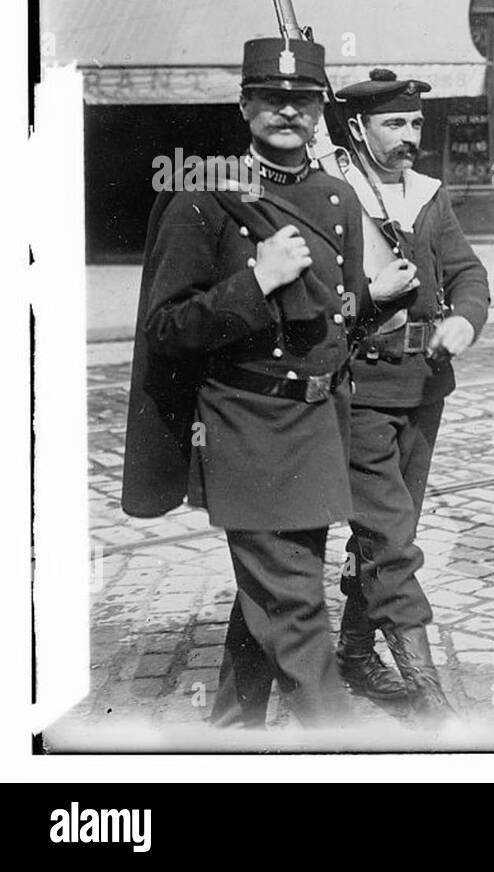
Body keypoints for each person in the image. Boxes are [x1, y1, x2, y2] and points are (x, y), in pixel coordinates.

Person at [122, 37, 417, 729]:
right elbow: (166, 327)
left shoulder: (337, 197)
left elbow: (336, 314)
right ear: (245, 104)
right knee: (295, 606)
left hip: (316, 426)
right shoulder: (206, 198)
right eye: (273, 98)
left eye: (303, 100)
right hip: (245, 426)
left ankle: (230, 735)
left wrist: (377, 299)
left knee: (274, 596)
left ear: (319, 112)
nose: (288, 111)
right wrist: (255, 281)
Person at [331, 68, 490, 722]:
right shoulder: (333, 195)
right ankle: (430, 698)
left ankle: (352, 649)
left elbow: (469, 273)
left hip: (424, 385)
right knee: (392, 540)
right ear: (358, 129)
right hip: (360, 389)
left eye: (416, 123)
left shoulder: (429, 196)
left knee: (391, 530)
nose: (408, 137)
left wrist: (465, 319)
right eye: (393, 124)